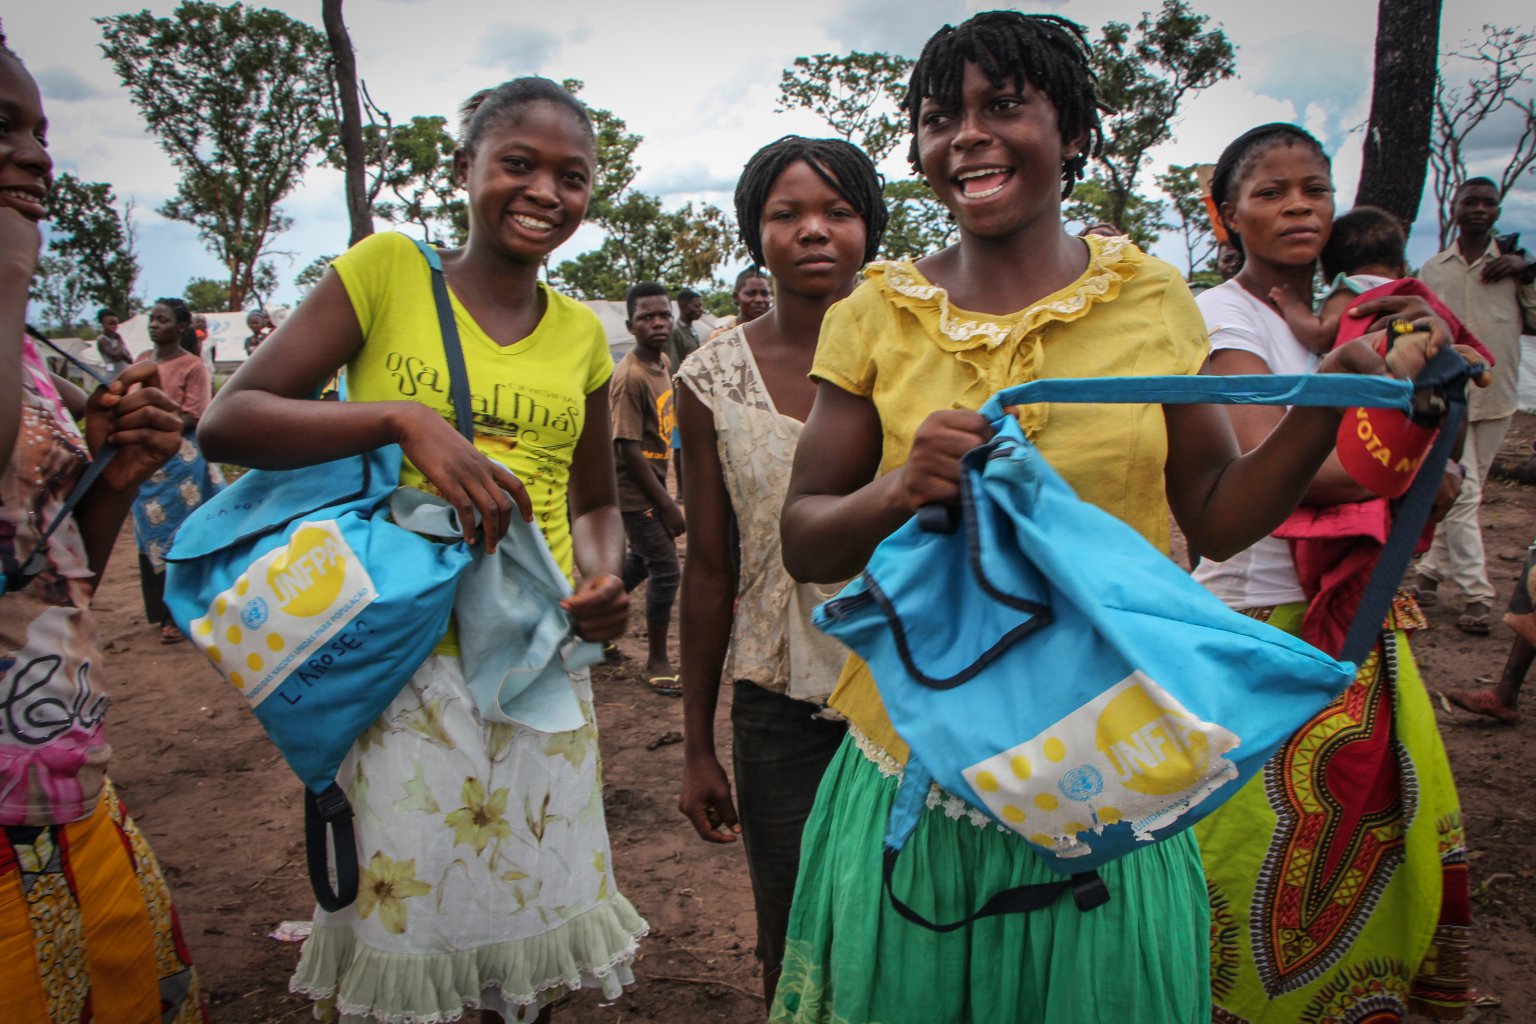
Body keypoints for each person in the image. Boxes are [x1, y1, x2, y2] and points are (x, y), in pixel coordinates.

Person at [770, 16, 1452, 1023]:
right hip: (917, 752)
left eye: (1003, 106)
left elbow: (1216, 518)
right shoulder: (876, 311)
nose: (965, 135)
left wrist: (1326, 401)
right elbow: (802, 538)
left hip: (1107, 757)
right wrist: (897, 488)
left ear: (1076, 135)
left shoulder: (1150, 297)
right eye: (938, 118)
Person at [199, 76, 645, 1024]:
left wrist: (606, 576)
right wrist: (402, 421)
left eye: (572, 177)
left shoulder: (580, 336)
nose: (545, 193)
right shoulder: (387, 273)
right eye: (517, 164)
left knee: (528, 924)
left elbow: (595, 499)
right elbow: (229, 421)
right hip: (402, 661)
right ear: (465, 170)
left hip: (535, 658)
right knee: (416, 929)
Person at [1190, 123, 1471, 1023]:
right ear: (1227, 214)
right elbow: (1260, 456)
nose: (1298, 205)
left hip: (1350, 612)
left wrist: (1431, 463)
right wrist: (1405, 467)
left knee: (1370, 832)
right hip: (1258, 622)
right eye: (1269, 192)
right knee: (1249, 849)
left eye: (1312, 187)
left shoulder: (1358, 317)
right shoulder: (1226, 317)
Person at [0, 23, 206, 1020]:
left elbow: (44, 562)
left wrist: (112, 474)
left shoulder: (28, 349)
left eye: (39, 131)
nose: (37, 155)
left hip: (67, 784)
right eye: (3, 129)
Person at [675, 135, 887, 1008]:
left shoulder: (918, 347)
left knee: (908, 923)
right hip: (781, 703)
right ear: (754, 234)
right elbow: (711, 571)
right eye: (787, 213)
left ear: (869, 228)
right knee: (796, 932)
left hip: (915, 692)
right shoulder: (709, 376)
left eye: (837, 211)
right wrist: (696, 744)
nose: (813, 231)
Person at [1415, 178, 1536, 634]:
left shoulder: (1515, 270)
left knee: (1468, 491)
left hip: (1498, 396)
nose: (1480, 209)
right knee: (1462, 493)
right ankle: (1477, 594)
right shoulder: (1433, 270)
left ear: (1498, 210)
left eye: (1489, 203)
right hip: (1451, 400)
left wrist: (1525, 271)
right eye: (1472, 202)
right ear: (1455, 207)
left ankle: (1430, 572)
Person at [131, 297, 223, 644]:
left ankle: (176, 613)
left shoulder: (192, 366)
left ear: (181, 326)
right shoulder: (140, 362)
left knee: (180, 535)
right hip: (144, 463)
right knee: (150, 537)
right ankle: (160, 611)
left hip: (179, 464)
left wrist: (152, 423)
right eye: (152, 319)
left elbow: (194, 415)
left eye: (163, 320)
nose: (155, 325)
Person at [613, 280, 684, 693]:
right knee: (666, 569)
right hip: (634, 492)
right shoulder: (631, 376)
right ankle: (656, 659)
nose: (657, 323)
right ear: (631, 324)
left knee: (640, 562)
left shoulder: (662, 365)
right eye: (646, 317)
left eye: (663, 315)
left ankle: (582, 623)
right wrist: (667, 505)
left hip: (651, 485)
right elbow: (626, 448)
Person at [664, 288, 704, 495]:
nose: (700, 309)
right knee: (680, 446)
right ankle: (681, 490)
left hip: (695, 393)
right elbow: (673, 367)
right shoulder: (676, 332)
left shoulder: (692, 331)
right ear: (683, 306)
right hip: (680, 396)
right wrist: (677, 399)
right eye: (696, 305)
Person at [707, 267, 772, 340]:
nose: (759, 300)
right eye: (751, 293)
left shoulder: (776, 335)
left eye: (764, 293)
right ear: (736, 297)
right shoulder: (720, 337)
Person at [95, 306, 131, 376]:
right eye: (110, 324)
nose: (114, 326)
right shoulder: (102, 340)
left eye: (116, 324)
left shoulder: (117, 338)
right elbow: (115, 356)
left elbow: (130, 359)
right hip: (112, 376)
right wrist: (119, 341)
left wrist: (122, 354)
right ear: (103, 324)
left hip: (124, 373)